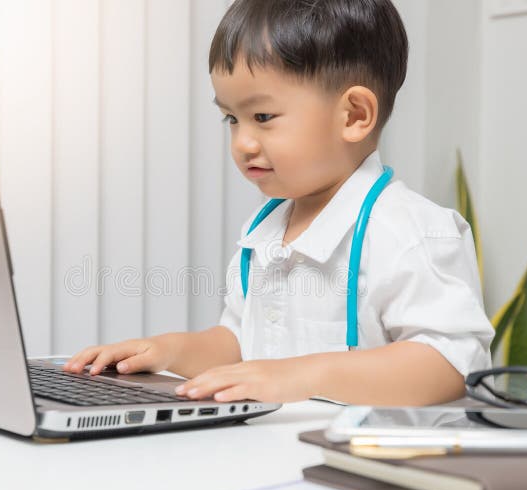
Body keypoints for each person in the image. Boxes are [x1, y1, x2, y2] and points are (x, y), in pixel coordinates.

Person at [64, 0, 493, 406]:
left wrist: (297, 376)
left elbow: (450, 365)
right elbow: (240, 344)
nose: (242, 142)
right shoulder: (266, 229)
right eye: (232, 119)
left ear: (354, 116)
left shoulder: (409, 231)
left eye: (263, 117)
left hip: (364, 473)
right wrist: (167, 350)